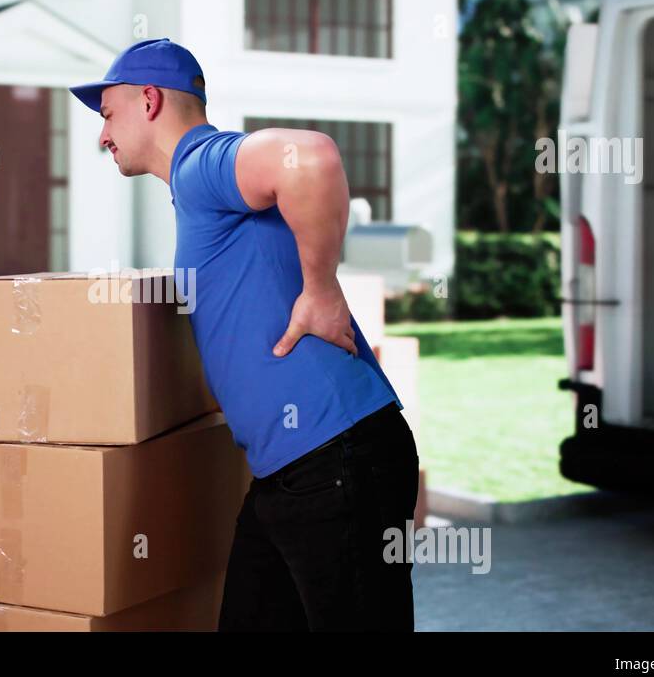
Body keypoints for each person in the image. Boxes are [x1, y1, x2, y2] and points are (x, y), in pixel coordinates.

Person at [69, 38, 420, 632]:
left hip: (337, 459)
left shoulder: (200, 164)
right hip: (290, 475)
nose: (103, 136)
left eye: (107, 115)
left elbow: (310, 156)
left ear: (149, 100)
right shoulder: (198, 189)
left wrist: (321, 289)